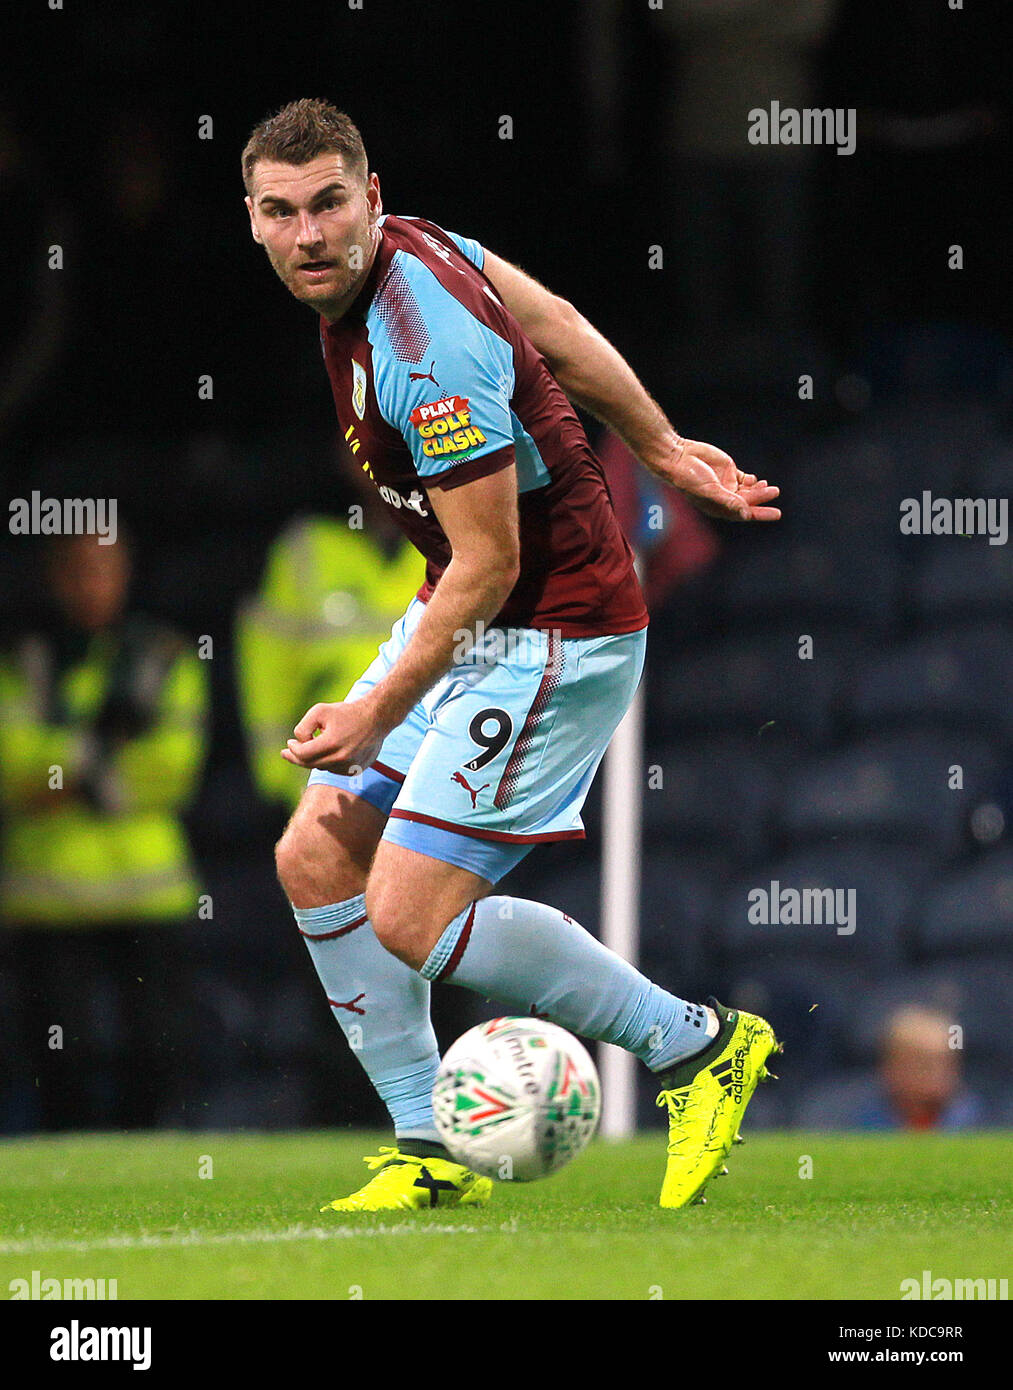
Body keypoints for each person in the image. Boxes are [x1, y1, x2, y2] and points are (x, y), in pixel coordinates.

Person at [241, 98, 782, 1211]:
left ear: (370, 199)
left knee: (408, 913)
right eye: (280, 211)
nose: (308, 234)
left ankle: (694, 1045)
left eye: (329, 204)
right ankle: (432, 1148)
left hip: (552, 630)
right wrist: (663, 444)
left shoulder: (419, 346)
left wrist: (378, 712)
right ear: (250, 220)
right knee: (315, 855)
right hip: (475, 605)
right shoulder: (420, 246)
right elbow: (562, 321)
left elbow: (490, 565)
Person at [0, 531, 209, 1130]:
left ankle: (152, 1149)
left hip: (149, 890)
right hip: (47, 893)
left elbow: (174, 769)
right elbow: (12, 765)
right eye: (79, 572)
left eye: (105, 569)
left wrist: (70, 774)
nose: (94, 586)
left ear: (126, 572)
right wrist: (105, 755)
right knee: (59, 1053)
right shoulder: (24, 657)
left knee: (157, 1047)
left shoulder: (163, 655)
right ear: (55, 577)